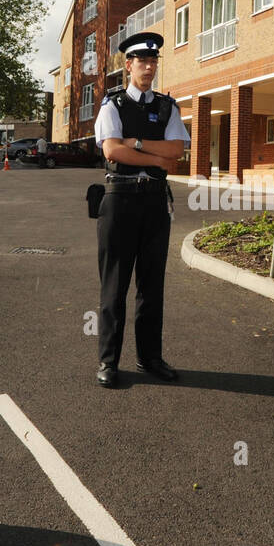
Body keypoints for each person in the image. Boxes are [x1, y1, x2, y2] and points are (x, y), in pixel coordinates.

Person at [93, 31, 189, 388]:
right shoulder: (112, 105)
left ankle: (150, 358)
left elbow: (176, 151)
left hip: (154, 203)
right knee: (114, 287)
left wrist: (135, 144)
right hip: (119, 201)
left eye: (153, 62)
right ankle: (108, 361)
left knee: (152, 286)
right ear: (128, 65)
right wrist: (154, 152)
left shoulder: (167, 107)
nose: (148, 67)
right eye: (142, 61)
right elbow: (112, 152)